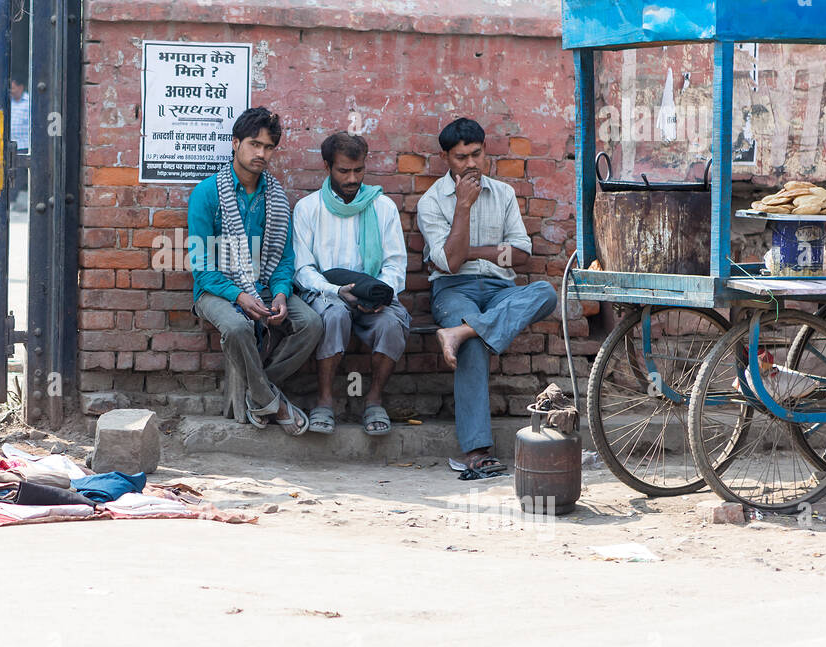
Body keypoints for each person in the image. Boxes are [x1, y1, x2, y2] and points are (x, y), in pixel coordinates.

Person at [418, 118, 559, 475]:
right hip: (453, 290)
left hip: (500, 291)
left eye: (476, 154)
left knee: (544, 292)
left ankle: (461, 331)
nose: (470, 164)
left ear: (486, 151)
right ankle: (477, 452)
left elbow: (522, 255)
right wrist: (463, 207)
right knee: (474, 343)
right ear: (446, 158)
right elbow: (450, 261)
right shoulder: (432, 201)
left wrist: (472, 251)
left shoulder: (504, 194)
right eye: (460, 157)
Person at [187, 106, 321, 435]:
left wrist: (279, 294)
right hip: (215, 289)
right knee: (236, 326)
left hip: (263, 285)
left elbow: (284, 258)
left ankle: (258, 392)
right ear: (235, 143)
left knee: (312, 323)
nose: (261, 153)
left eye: (268, 147)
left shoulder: (275, 196)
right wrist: (239, 296)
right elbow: (202, 267)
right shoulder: (207, 194)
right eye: (254, 144)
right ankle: (272, 401)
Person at [293, 132, 409, 436]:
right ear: (327, 167)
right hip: (327, 293)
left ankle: (373, 400)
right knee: (333, 315)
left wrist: (379, 294)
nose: (352, 178)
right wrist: (336, 291)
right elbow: (303, 268)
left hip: (373, 296)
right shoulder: (308, 208)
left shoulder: (383, 207)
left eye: (358, 170)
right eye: (344, 171)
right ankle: (325, 400)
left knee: (392, 323)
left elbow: (395, 264)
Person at [9, 77, 31, 206]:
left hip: (23, 144)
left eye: (13, 88)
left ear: (21, 87)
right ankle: (10, 200)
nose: (11, 91)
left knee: (19, 175)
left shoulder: (29, 102)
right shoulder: (8, 102)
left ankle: (11, 201)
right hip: (9, 144)